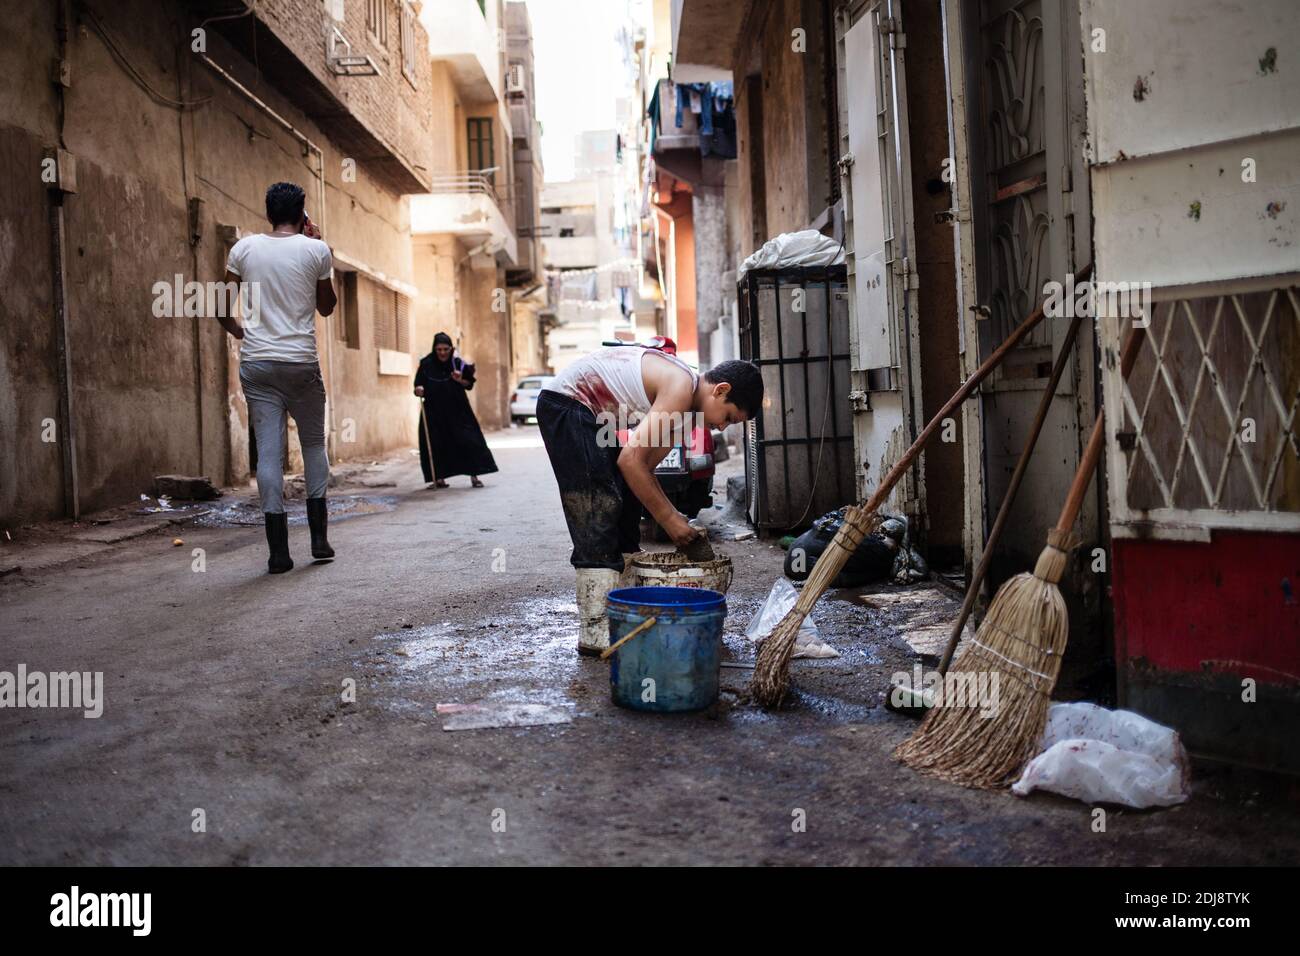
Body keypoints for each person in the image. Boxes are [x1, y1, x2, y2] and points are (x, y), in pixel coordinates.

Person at [537, 345, 763, 655]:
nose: (722, 427)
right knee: (597, 504)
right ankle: (595, 630)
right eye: (727, 417)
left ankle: (624, 607)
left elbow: (642, 470)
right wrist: (671, 522)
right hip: (566, 403)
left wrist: (674, 517)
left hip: (588, 414)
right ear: (721, 390)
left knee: (626, 498)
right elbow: (631, 460)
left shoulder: (687, 418)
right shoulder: (682, 386)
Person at [217, 181, 337, 574]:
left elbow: (221, 305)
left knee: (268, 453)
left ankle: (278, 553)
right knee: (314, 444)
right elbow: (327, 308)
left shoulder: (244, 248)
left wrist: (238, 331)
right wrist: (321, 251)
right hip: (301, 363)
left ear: (268, 213)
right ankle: (319, 539)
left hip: (258, 364)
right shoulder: (316, 250)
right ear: (303, 214)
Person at [413, 332, 499, 489]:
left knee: (469, 440)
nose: (442, 353)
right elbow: (418, 384)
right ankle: (438, 478)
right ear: (434, 349)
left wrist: (460, 379)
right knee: (436, 443)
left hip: (458, 410)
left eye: (445, 349)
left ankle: (475, 476)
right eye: (439, 349)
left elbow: (469, 385)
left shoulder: (457, 363)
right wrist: (419, 389)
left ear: (451, 348)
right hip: (434, 412)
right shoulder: (426, 364)